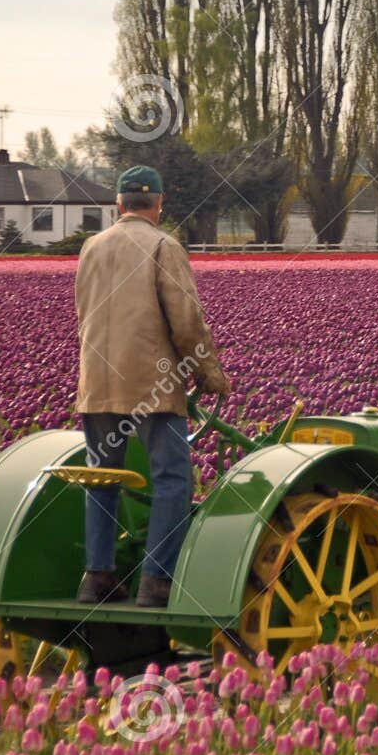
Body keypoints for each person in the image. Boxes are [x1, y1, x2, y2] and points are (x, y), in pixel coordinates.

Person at [72, 165, 230, 607]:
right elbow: (186, 322)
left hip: (97, 382)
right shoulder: (164, 245)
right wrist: (209, 373)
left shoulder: (91, 247)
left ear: (118, 206)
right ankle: (156, 581)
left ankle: (97, 577)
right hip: (153, 385)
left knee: (101, 477)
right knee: (172, 479)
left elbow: (84, 311)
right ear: (159, 204)